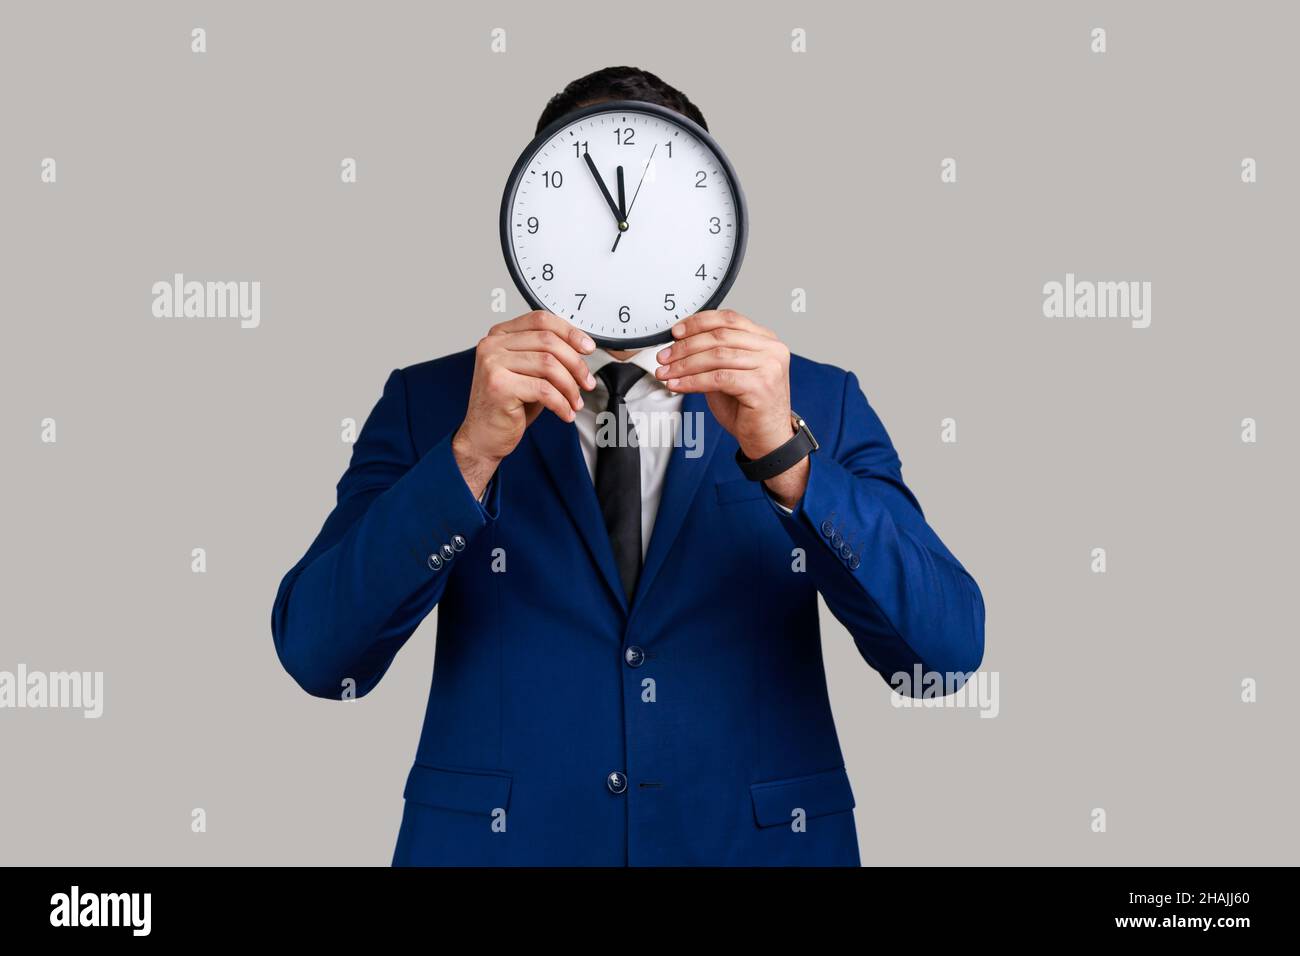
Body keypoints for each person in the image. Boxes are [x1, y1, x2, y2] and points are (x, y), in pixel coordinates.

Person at [271, 66, 985, 866]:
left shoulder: (815, 398)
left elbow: (945, 655)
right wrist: (467, 458)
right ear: (532, 222)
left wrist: (788, 458)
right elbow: (319, 656)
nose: (625, 234)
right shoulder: (434, 403)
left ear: (712, 224)